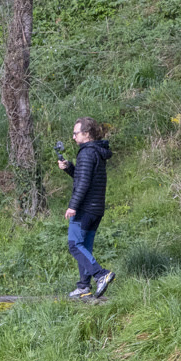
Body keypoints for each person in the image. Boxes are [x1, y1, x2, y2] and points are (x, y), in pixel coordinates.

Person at [56, 119, 114, 300]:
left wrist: (73, 206)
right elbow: (83, 177)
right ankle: (83, 287)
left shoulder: (86, 153)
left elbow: (83, 184)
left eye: (76, 133)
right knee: (84, 247)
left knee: (74, 245)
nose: (73, 137)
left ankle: (101, 275)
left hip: (85, 208)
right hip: (96, 208)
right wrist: (69, 168)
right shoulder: (96, 151)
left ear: (86, 134)